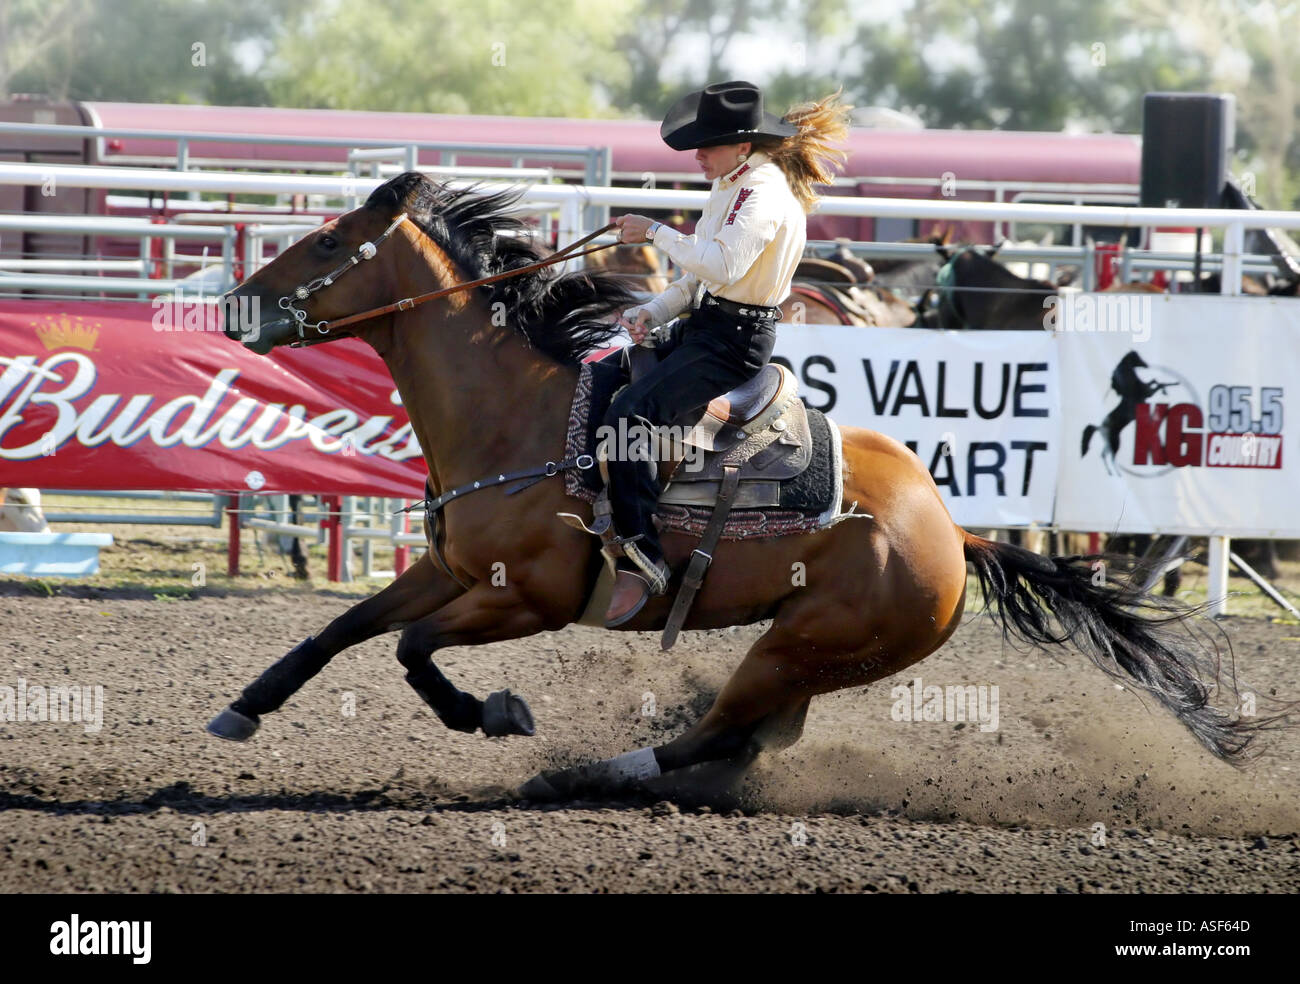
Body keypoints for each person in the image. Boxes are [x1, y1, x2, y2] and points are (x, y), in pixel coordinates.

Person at [601, 79, 850, 627]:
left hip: (733, 343)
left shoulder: (762, 194)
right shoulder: (735, 185)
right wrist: (653, 312)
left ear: (742, 146)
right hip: (708, 328)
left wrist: (653, 232)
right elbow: (698, 278)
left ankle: (643, 552)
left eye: (707, 145)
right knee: (600, 379)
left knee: (631, 412)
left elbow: (721, 267)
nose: (697, 155)